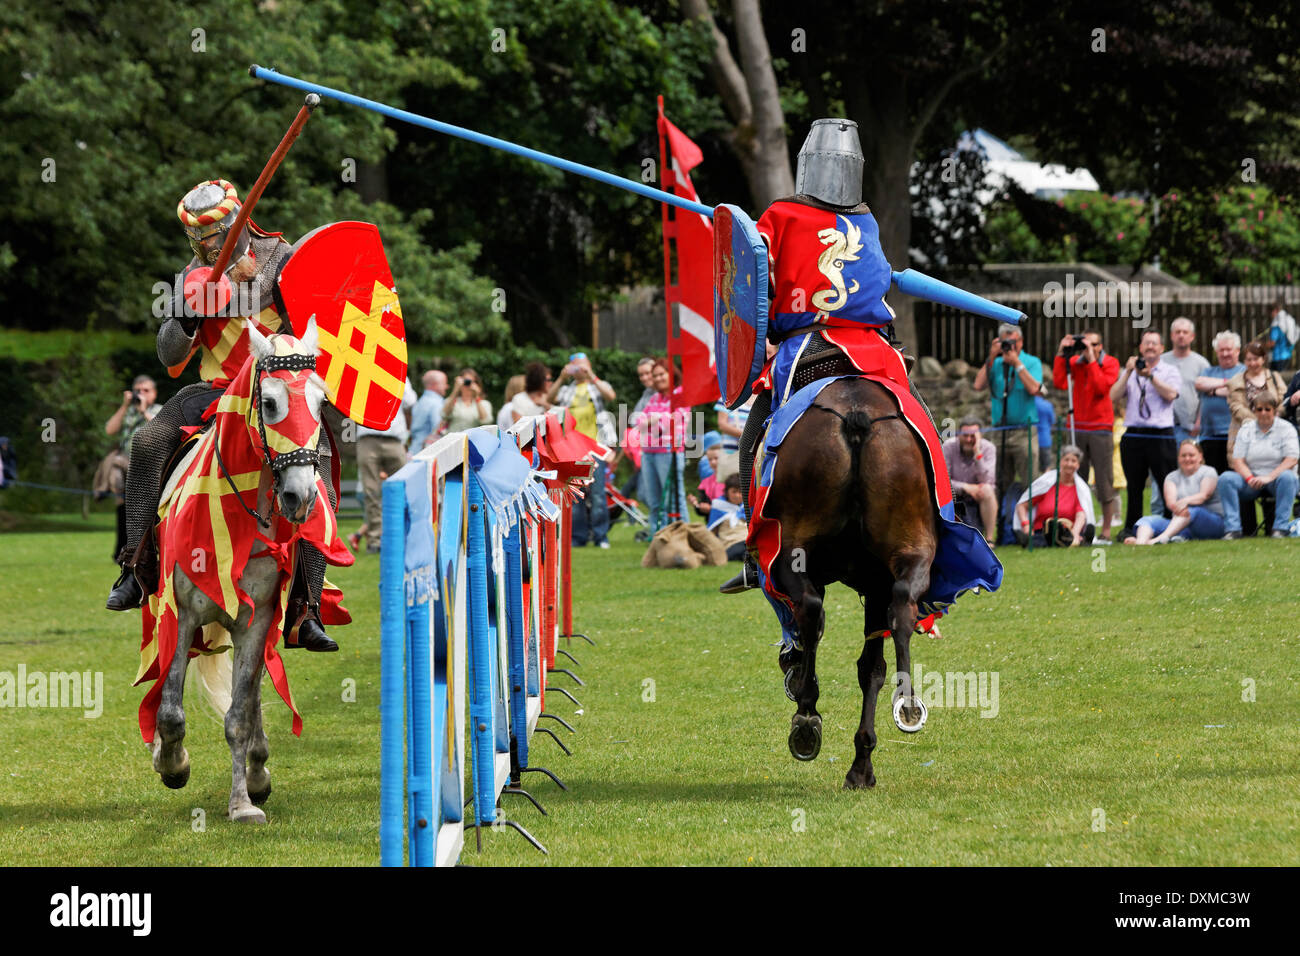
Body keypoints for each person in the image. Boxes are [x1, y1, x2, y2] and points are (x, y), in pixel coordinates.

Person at [720, 118, 995, 595]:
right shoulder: (865, 221)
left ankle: (752, 551)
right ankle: (939, 525)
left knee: (756, 433)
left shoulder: (781, 215)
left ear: (807, 164)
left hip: (808, 345)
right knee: (921, 424)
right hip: (874, 352)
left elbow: (755, 282)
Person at [105, 179, 339, 650]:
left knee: (322, 473)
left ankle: (306, 610)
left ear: (233, 223)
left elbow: (319, 322)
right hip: (215, 391)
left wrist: (244, 286)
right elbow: (168, 351)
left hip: (276, 388)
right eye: (196, 237)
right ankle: (135, 569)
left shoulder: (283, 257)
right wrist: (194, 309)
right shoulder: (193, 276)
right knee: (147, 443)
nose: (204, 245)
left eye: (211, 235)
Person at [973, 322, 1045, 540]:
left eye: (1012, 341)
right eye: (1004, 341)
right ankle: (996, 530)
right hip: (999, 431)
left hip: (1024, 431)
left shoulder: (1031, 362)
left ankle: (1033, 528)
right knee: (997, 481)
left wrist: (1017, 364)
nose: (1008, 345)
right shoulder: (994, 363)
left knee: (1030, 481)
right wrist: (991, 357)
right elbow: (978, 385)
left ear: (1021, 341)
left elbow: (1035, 389)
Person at [1111, 329, 1181, 538]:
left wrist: (1150, 376)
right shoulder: (1130, 372)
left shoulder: (1170, 370)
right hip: (1134, 433)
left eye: (1154, 344)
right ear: (1140, 348)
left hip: (1161, 434)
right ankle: (1132, 527)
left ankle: (1171, 526)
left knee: (1166, 481)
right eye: (1146, 344)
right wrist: (1128, 373)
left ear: (1162, 348)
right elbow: (1113, 396)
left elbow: (1171, 395)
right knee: (1134, 485)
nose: (1150, 347)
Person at [1052, 330, 1120, 544]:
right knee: (1076, 477)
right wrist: (1060, 354)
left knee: (1103, 480)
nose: (1089, 348)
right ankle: (1079, 528)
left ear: (1101, 346)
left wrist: (1091, 360)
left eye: (1094, 345)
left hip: (1100, 427)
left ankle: (1106, 530)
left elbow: (1101, 389)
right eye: (1086, 344)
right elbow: (1059, 382)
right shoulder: (1074, 361)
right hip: (1077, 426)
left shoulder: (1110, 363)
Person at [549, 352, 617, 547]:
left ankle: (600, 536)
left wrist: (592, 375)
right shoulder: (566, 390)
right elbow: (550, 398)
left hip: (596, 446)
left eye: (582, 365)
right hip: (572, 447)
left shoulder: (597, 385)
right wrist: (561, 377)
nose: (579, 370)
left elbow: (610, 396)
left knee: (597, 493)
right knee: (576, 493)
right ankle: (578, 537)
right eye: (575, 366)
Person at [1218, 393, 1299, 539]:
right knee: (1226, 478)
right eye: (1259, 409)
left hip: (1277, 480)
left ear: (1274, 411)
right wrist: (1249, 478)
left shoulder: (1287, 429)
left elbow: (1292, 459)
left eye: (1267, 409)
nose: (1263, 413)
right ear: (1254, 411)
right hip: (1252, 480)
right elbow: (1238, 461)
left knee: (1288, 477)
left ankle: (1280, 528)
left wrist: (1269, 477)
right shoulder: (1246, 429)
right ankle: (1233, 530)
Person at [100, 375, 161, 557]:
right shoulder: (127, 412)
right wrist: (125, 406)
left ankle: (146, 549)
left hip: (149, 466)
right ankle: (122, 548)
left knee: (146, 509)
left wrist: (144, 412)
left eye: (146, 390)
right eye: (138, 390)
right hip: (125, 463)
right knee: (123, 504)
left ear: (154, 394)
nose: (141, 394)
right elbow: (110, 430)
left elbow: (161, 432)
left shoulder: (160, 410)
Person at [357, 377, 417, 553]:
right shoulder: (363, 369)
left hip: (394, 438)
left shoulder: (398, 373)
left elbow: (410, 401)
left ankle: (402, 535)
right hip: (367, 436)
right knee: (371, 490)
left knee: (404, 488)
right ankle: (375, 540)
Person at [1125, 440, 1224, 543]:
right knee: (1147, 520)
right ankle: (1141, 542)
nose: (1187, 459)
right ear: (1178, 458)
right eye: (1183, 455)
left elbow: (1204, 495)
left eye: (1191, 455)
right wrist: (1178, 507)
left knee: (1193, 510)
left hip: (1211, 523)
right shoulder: (1171, 477)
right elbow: (1171, 503)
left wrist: (1185, 502)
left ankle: (1160, 539)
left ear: (1200, 456)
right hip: (1181, 519)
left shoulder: (1209, 471)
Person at [633, 358, 689, 536]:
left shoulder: (680, 395)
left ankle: (684, 535)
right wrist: (656, 419)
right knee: (654, 502)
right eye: (654, 375)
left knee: (674, 500)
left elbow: (672, 423)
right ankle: (658, 538)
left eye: (661, 374)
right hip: (648, 453)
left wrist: (653, 420)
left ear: (671, 374)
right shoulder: (655, 398)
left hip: (668, 452)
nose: (657, 378)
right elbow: (637, 422)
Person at [1012, 444, 1095, 547]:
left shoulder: (1080, 489)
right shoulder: (1046, 484)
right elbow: (1022, 505)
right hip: (1042, 530)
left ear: (1078, 465)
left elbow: (1081, 514)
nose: (1069, 464)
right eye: (1066, 460)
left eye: (1073, 461)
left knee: (1063, 537)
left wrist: (1075, 532)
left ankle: (1074, 539)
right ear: (1060, 462)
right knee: (1041, 539)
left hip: (1067, 530)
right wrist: (1026, 525)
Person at [1193, 331, 1245, 474]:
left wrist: (1214, 390)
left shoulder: (1245, 371)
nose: (1225, 353)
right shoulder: (1208, 371)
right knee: (1211, 478)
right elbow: (1199, 383)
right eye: (1222, 350)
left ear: (1237, 351)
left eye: (1229, 349)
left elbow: (1243, 391)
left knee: (1233, 478)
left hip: (1237, 436)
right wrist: (1230, 384)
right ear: (1217, 352)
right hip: (1209, 435)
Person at [942, 415, 998, 546]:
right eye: (965, 435)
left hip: (979, 497)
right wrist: (965, 487)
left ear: (980, 436)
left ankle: (990, 539)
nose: (968, 439)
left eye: (973, 436)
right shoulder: (948, 447)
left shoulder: (988, 448)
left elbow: (988, 480)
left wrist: (977, 452)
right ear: (958, 434)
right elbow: (943, 480)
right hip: (955, 496)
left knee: (988, 490)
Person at [1225, 341, 1287, 451]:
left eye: (1256, 359)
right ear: (1244, 361)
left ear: (1263, 359)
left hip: (1274, 433)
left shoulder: (1274, 377)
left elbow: (1284, 399)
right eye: (1249, 359)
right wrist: (1260, 423)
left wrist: (1274, 418)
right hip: (1245, 434)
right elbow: (1236, 407)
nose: (1252, 363)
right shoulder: (1236, 381)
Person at [1161, 317, 1210, 445]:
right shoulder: (1161, 361)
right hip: (1164, 428)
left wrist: (1198, 423)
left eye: (1185, 332)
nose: (1181, 335)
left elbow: (1206, 398)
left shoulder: (1202, 364)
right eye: (1177, 332)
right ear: (1172, 336)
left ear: (1192, 336)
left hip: (1190, 430)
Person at [441, 368, 493, 434]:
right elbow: (444, 415)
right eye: (466, 381)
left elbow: (486, 421)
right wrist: (456, 390)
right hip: (454, 440)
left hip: (473, 440)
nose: (468, 385)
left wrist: (477, 396)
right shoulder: (452, 400)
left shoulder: (484, 403)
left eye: (471, 382)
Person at [409, 369, 448, 451]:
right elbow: (438, 430)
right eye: (444, 383)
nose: (447, 386)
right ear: (435, 384)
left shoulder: (420, 402)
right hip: (427, 451)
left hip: (414, 449)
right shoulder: (436, 403)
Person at [1267, 298, 1298, 372]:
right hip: (1287, 355)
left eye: (1271, 312)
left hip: (1278, 357)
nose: (1270, 315)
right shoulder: (1288, 321)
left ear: (1275, 310)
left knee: (1275, 379)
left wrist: (1262, 346)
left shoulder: (1277, 325)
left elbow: (1272, 343)